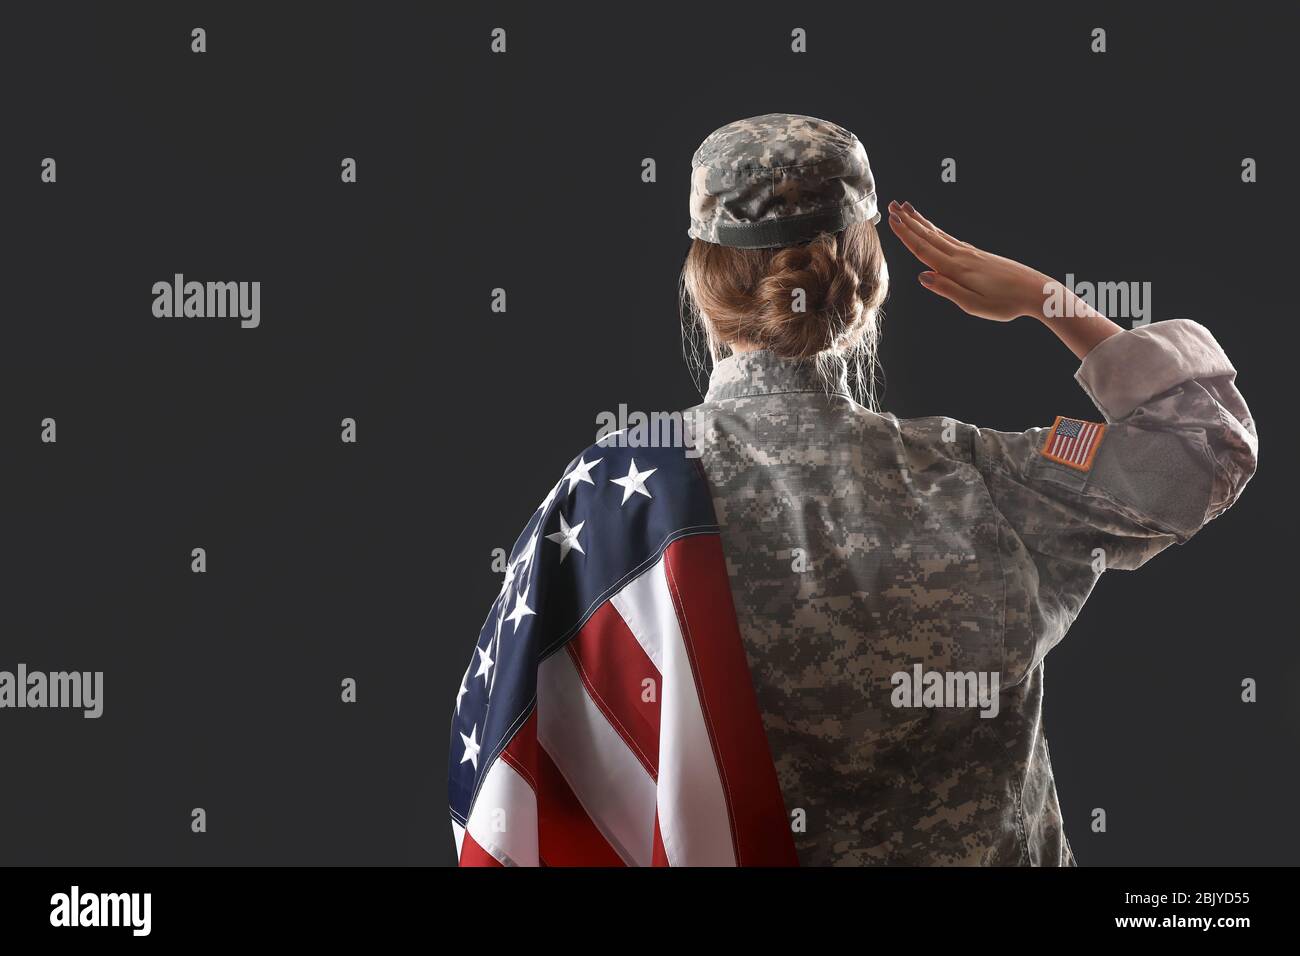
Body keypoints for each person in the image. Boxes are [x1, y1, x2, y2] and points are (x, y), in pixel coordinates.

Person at [449, 112, 1257, 867]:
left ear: (704, 289)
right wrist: (1054, 303)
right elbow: (1201, 447)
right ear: (869, 289)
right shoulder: (991, 477)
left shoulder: (619, 502)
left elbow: (519, 776)